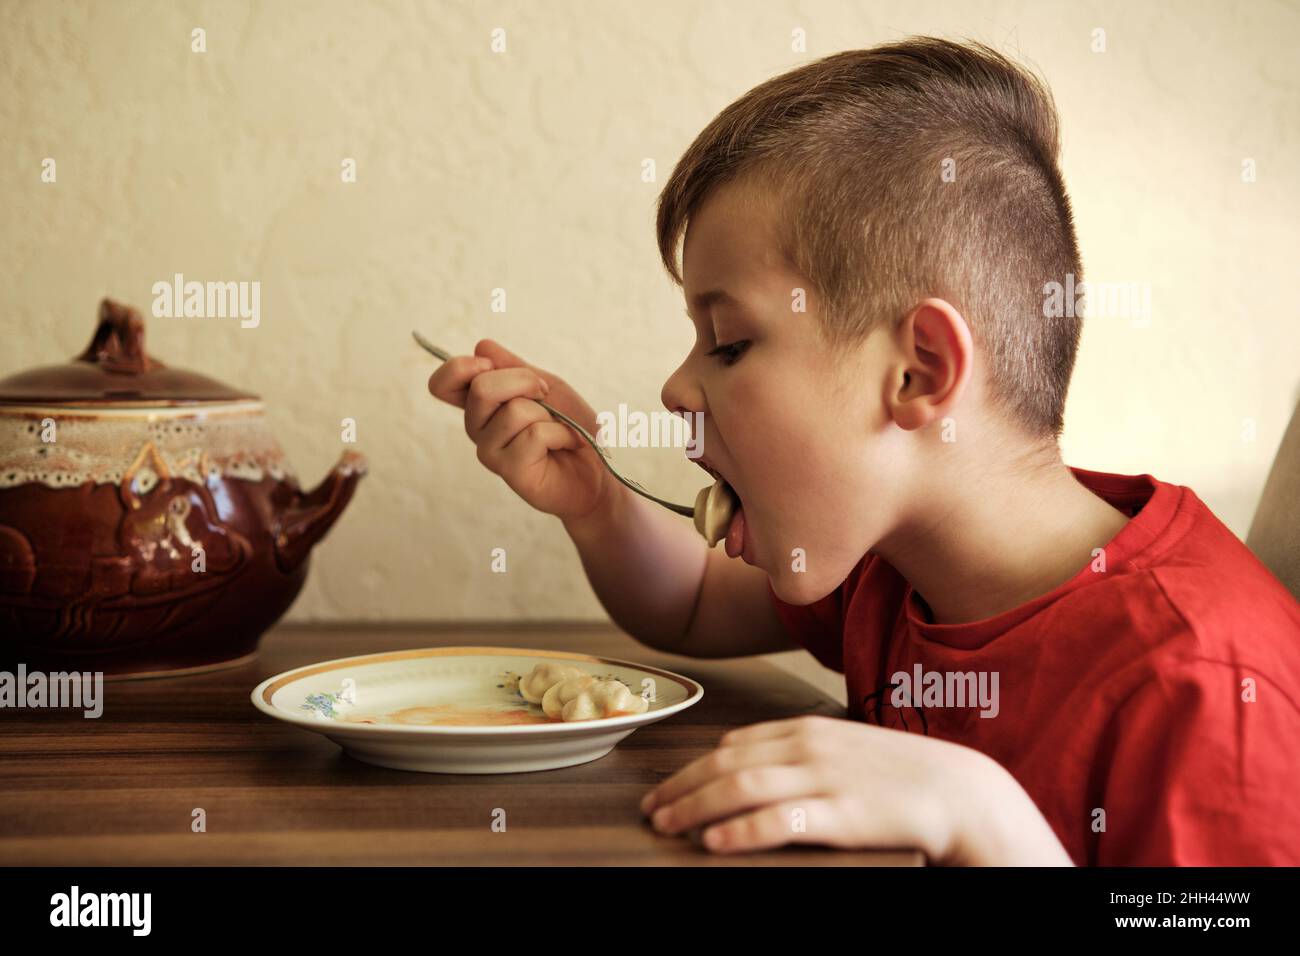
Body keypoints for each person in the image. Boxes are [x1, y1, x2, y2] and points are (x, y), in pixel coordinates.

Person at [427, 37, 1300, 865]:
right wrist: (597, 503)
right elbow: (690, 603)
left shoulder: (1205, 682)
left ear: (920, 372)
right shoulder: (887, 561)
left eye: (728, 343)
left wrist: (983, 818)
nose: (675, 390)